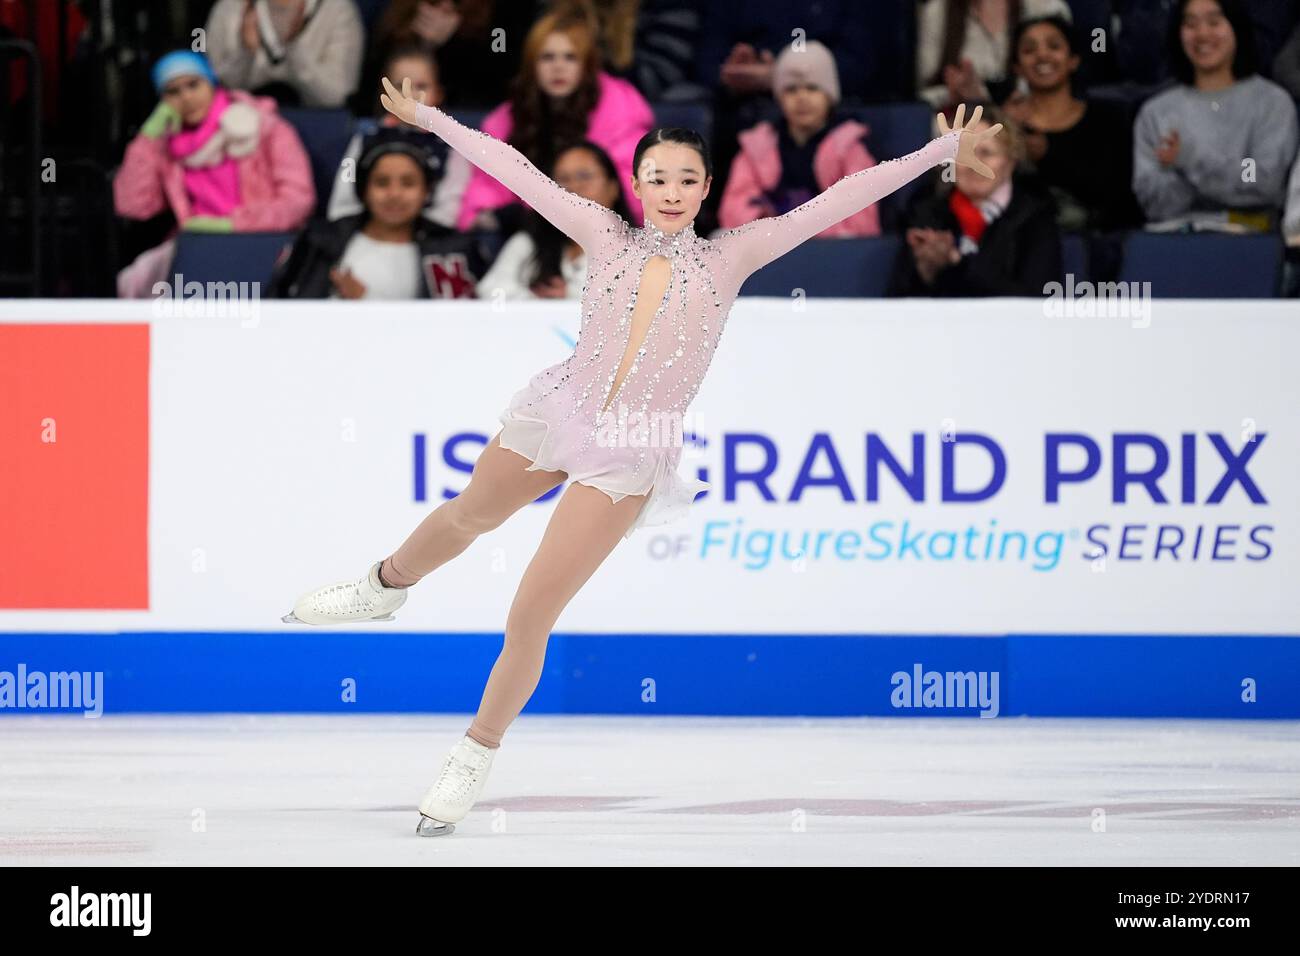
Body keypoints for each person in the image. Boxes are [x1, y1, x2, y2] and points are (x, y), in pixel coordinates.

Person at [282, 77, 998, 837]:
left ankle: (475, 751)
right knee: (466, 516)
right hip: (557, 412)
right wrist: (429, 119)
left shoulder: (733, 256)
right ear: (637, 183)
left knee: (529, 615)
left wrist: (938, 153)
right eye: (658, 176)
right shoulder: (603, 232)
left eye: (689, 178)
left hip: (627, 453)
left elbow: (838, 200)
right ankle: (383, 585)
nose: (672, 190)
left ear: (708, 188)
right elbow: (513, 168)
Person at [112, 49, 315, 298]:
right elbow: (132, 205)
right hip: (197, 248)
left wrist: (233, 225)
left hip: (262, 244)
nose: (185, 97)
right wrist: (148, 139)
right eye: (172, 92)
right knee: (137, 280)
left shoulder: (268, 128)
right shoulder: (165, 144)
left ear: (212, 83)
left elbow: (298, 202)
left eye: (193, 85)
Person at [1132, 0, 1299, 231]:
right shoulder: (1157, 112)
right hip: (1171, 240)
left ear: (1235, 27)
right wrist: (1222, 180)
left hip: (1249, 241)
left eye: (1214, 22)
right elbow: (1155, 201)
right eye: (1190, 24)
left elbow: (1259, 180)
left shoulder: (1270, 103)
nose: (1202, 33)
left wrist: (1188, 161)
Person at [269, 131, 487, 299]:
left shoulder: (453, 249)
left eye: (408, 183)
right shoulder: (319, 241)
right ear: (363, 190)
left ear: (426, 191)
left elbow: (461, 329)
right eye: (382, 183)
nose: (394, 194)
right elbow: (280, 310)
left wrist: (365, 300)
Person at [889, 103, 1060, 296]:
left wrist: (957, 262)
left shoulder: (1036, 217)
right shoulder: (926, 212)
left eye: (986, 153)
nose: (973, 164)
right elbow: (898, 301)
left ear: (1011, 162)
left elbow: (1037, 301)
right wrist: (925, 272)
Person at [717, 40, 883, 237]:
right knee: (721, 236)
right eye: (791, 90)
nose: (802, 98)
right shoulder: (758, 146)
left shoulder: (850, 148)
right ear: (779, 98)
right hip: (770, 248)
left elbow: (863, 223)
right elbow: (732, 210)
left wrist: (803, 229)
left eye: (812, 88)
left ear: (829, 96)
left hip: (829, 252)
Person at [476, 141, 633, 301]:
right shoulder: (528, 243)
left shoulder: (637, 248)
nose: (574, 187)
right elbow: (489, 290)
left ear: (613, 188)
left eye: (584, 176)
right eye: (563, 180)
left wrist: (570, 297)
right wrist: (538, 302)